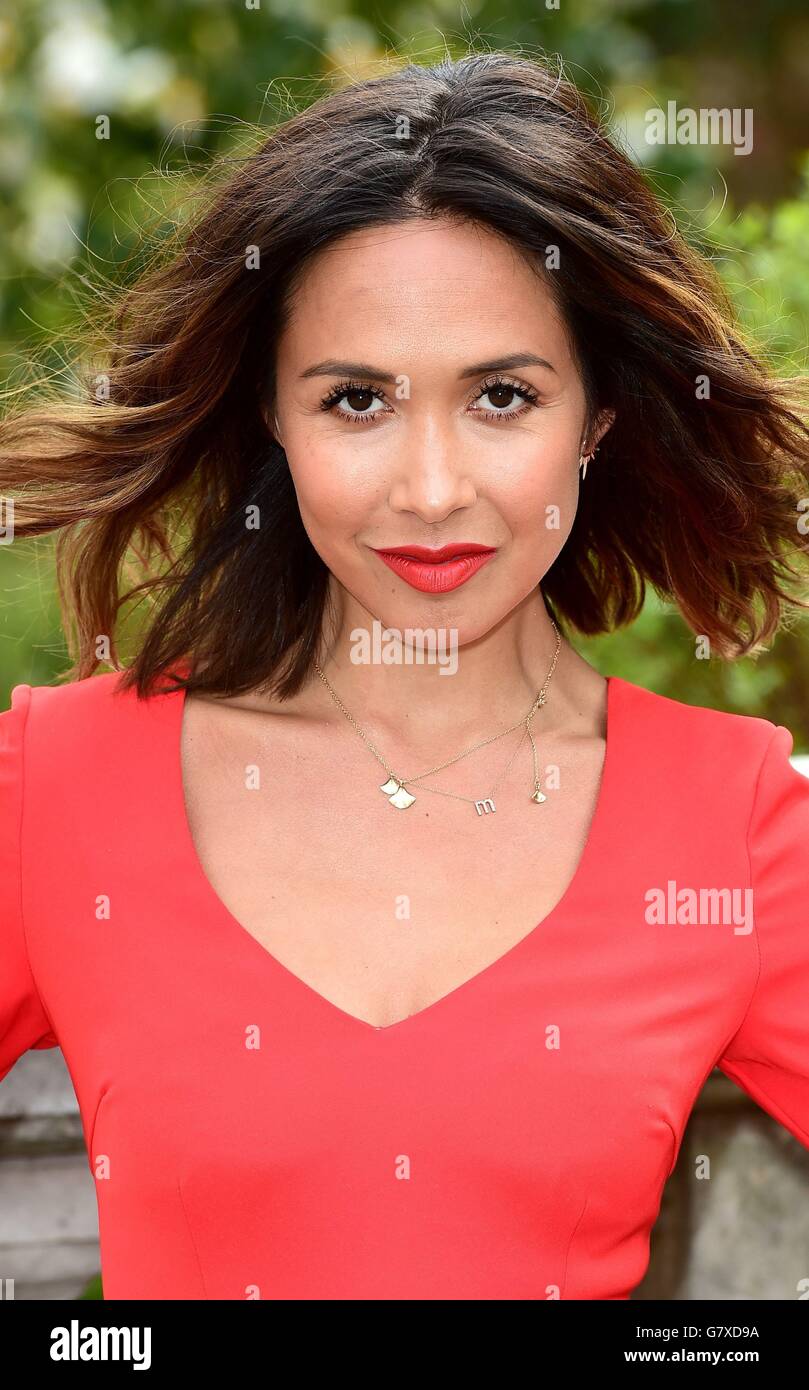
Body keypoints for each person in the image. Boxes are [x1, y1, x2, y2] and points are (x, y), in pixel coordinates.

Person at [1, 50, 808, 1302]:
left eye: (500, 395)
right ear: (271, 409)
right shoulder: (57, 785)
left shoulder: (732, 824)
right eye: (356, 400)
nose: (430, 491)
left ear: (596, 416)